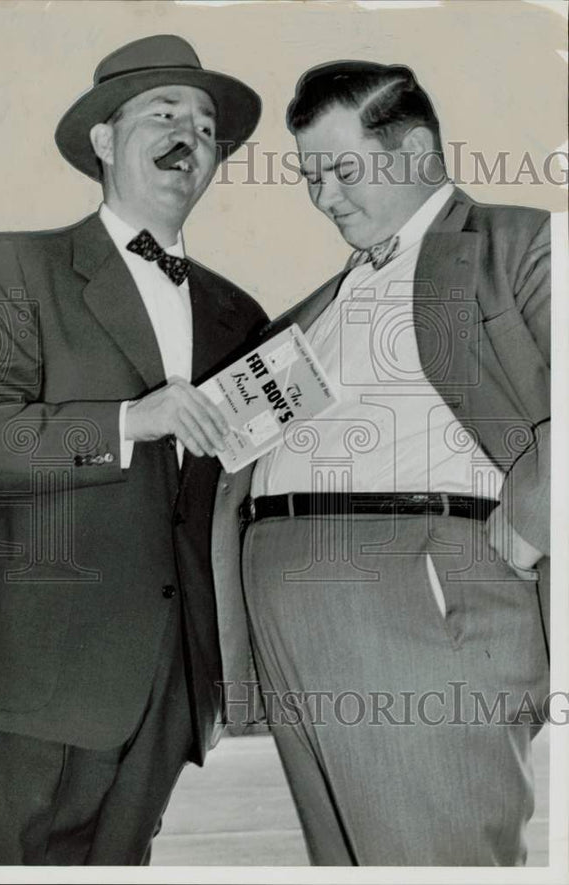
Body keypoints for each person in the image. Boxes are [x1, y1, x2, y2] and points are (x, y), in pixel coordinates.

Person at [215, 60, 550, 865]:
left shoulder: (517, 239)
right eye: (309, 176)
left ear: (416, 148)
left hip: (414, 591)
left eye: (343, 169)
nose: (325, 197)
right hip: (291, 605)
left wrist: (542, 512)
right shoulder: (323, 302)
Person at [0, 34, 266, 865]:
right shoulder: (11, 266)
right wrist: (126, 423)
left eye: (208, 126)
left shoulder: (238, 314)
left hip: (172, 695)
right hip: (33, 685)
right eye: (164, 112)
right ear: (104, 141)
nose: (191, 135)